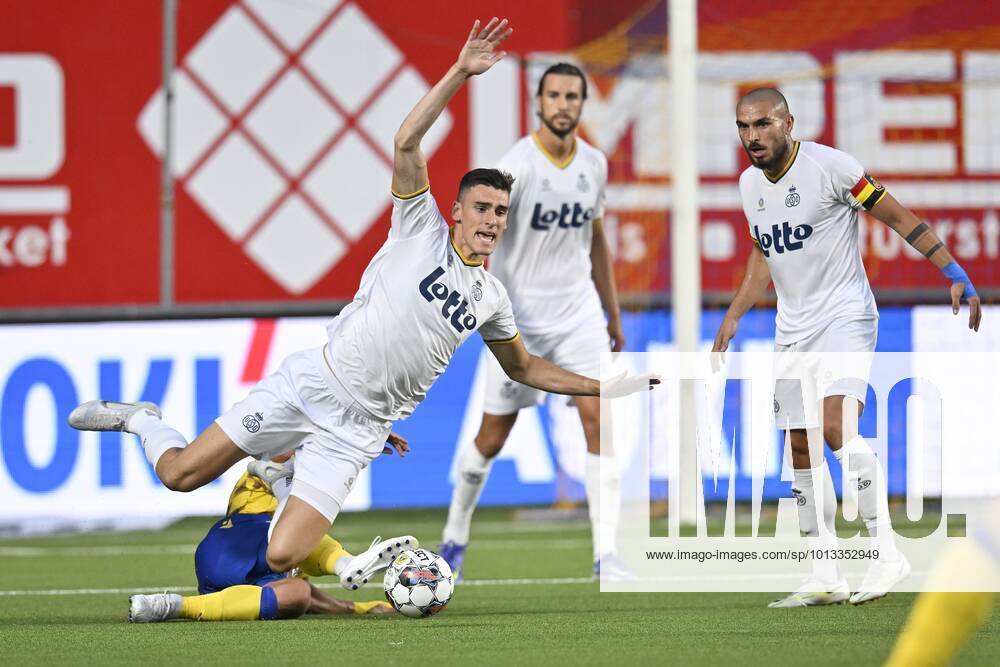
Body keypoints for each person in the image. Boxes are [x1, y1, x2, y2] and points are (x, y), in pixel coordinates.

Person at [69, 18, 658, 589]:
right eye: (481, 208)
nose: (491, 221)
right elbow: (406, 140)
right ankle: (143, 418)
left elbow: (525, 368)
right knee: (180, 475)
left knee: (282, 553)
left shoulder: (492, 298)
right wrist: (459, 71)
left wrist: (599, 386)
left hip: (360, 430)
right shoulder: (418, 226)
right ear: (456, 210)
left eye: (501, 213)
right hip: (313, 384)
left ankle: (284, 470)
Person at [712, 88, 982, 608]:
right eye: (744, 127)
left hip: (845, 317)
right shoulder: (750, 184)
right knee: (800, 446)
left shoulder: (831, 167)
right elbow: (763, 253)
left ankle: (887, 556)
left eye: (763, 124)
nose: (752, 137)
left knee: (836, 426)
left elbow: (899, 217)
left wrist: (952, 270)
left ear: (789, 121)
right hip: (792, 330)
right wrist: (735, 311)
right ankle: (825, 575)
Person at [440, 62, 626, 579]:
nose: (563, 104)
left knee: (599, 417)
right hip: (519, 317)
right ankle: (455, 535)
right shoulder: (515, 167)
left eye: (573, 96)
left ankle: (606, 553)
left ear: (583, 104)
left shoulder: (595, 163)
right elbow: (480, 232)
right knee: (492, 438)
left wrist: (611, 312)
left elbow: (596, 241)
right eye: (555, 95)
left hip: (579, 312)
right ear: (538, 103)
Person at [128, 450, 402, 623]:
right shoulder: (284, 455)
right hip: (244, 537)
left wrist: (358, 608)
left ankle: (172, 606)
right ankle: (346, 564)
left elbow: (306, 597)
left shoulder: (306, 468)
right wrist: (361, 439)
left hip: (242, 574)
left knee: (297, 592)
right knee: (300, 534)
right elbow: (280, 453)